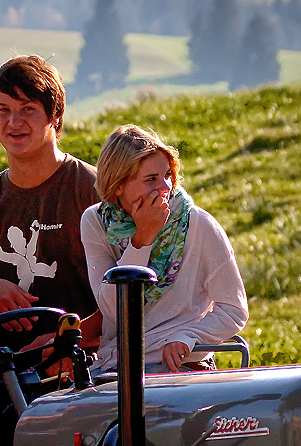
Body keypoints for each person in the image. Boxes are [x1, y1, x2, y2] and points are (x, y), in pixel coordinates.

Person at [0, 56, 100, 340]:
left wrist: (68, 342)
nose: (14, 122)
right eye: (3, 109)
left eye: (28, 109)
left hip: (94, 371)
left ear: (55, 116)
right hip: (6, 377)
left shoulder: (95, 191)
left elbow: (137, 290)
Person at [81, 124, 248, 373]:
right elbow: (114, 310)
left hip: (183, 365)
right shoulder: (96, 222)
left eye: (167, 175)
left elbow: (235, 309)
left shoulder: (197, 223)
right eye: (151, 179)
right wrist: (142, 239)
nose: (166, 187)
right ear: (118, 185)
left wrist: (189, 336)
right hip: (118, 364)